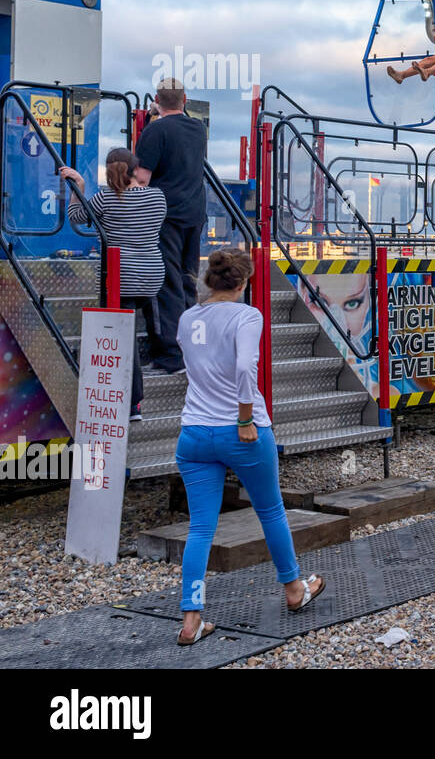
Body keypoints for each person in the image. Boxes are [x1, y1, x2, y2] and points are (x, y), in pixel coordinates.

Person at [173, 249, 325, 645]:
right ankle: (294, 590)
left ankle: (191, 619)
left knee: (201, 527)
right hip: (241, 431)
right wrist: (244, 418)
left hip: (194, 433)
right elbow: (244, 367)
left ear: (209, 281)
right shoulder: (247, 315)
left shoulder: (188, 318)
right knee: (270, 510)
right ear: (243, 284)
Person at [60, 148, 167, 421]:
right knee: (134, 321)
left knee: (122, 339)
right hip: (152, 275)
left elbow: (76, 219)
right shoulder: (157, 197)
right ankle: (166, 353)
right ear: (135, 170)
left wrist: (79, 188)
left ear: (108, 172)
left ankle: (132, 404)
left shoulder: (104, 199)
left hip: (121, 277)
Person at [134, 78, 208, 374]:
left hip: (164, 216)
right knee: (188, 281)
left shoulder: (156, 130)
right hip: (194, 213)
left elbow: (142, 178)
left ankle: (170, 355)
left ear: (155, 99)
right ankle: (191, 350)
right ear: (185, 99)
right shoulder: (198, 129)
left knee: (166, 283)